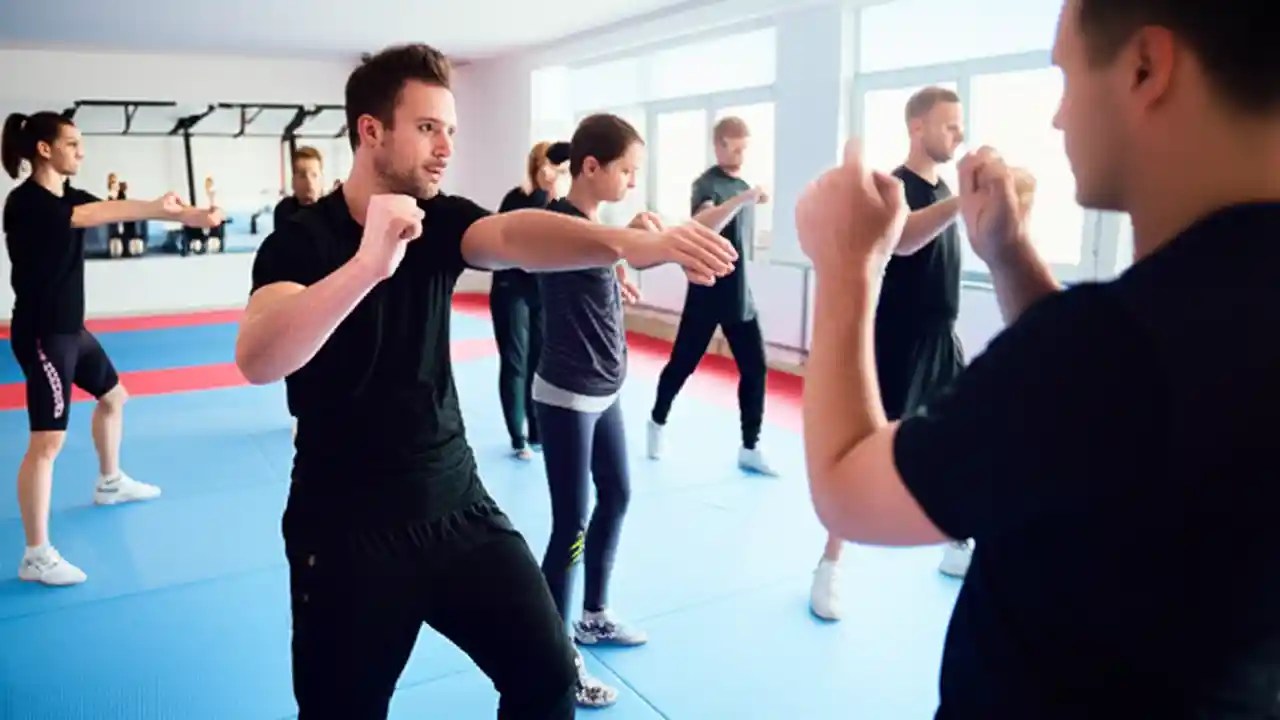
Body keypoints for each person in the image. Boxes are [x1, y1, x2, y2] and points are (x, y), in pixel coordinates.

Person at [797, 0, 1280, 716]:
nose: (1057, 118)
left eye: (1065, 75)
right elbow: (1108, 418)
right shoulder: (1172, 327)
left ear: (1146, 67)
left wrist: (846, 264)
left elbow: (846, 487)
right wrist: (1011, 255)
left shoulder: (1112, 343)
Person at [233, 43, 737, 718]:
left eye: (451, 131)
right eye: (427, 128)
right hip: (346, 529)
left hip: (457, 505)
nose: (445, 147)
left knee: (548, 676)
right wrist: (368, 266)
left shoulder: (438, 218)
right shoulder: (302, 239)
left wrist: (620, 241)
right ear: (371, 131)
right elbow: (259, 358)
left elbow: (514, 235)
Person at [1, 110, 222, 586]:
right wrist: (159, 209)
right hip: (43, 336)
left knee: (114, 396)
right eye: (73, 144)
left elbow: (105, 207)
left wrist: (188, 215)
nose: (81, 152)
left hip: (71, 331)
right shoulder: (27, 203)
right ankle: (35, 554)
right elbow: (97, 214)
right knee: (47, 442)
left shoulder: (69, 196)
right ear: (45, 149)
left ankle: (109, 481)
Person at [808, 86, 972, 622]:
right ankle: (829, 565)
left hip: (942, 335)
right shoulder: (894, 188)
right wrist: (964, 202)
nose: (959, 135)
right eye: (949, 125)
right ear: (917, 128)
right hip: (898, 339)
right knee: (867, 451)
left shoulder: (944, 186)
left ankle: (957, 542)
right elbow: (901, 240)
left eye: (960, 125)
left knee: (964, 437)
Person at [533, 116, 653, 708]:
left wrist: (619, 263)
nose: (633, 181)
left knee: (620, 493)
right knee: (570, 525)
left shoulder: (597, 231)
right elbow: (579, 251)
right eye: (627, 170)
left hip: (606, 392)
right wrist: (626, 246)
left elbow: (607, 256)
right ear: (591, 166)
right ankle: (559, 658)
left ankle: (595, 614)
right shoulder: (558, 221)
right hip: (567, 396)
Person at [647, 116, 775, 476]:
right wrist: (743, 198)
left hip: (739, 294)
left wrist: (748, 196)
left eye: (744, 147)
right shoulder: (706, 184)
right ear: (718, 145)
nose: (739, 154)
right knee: (683, 364)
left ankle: (750, 446)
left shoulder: (743, 184)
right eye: (733, 147)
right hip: (706, 289)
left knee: (755, 369)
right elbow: (704, 225)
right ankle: (656, 423)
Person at [491, 140, 570, 459]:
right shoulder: (517, 198)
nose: (553, 174)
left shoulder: (559, 203)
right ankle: (517, 436)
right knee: (515, 362)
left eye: (559, 169)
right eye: (548, 167)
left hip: (542, 292)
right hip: (512, 289)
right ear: (537, 168)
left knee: (540, 362)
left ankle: (538, 431)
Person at [273, 146, 325, 229]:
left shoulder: (332, 212)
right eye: (302, 176)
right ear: (293, 182)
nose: (309, 183)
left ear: (322, 180)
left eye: (314, 175)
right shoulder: (284, 210)